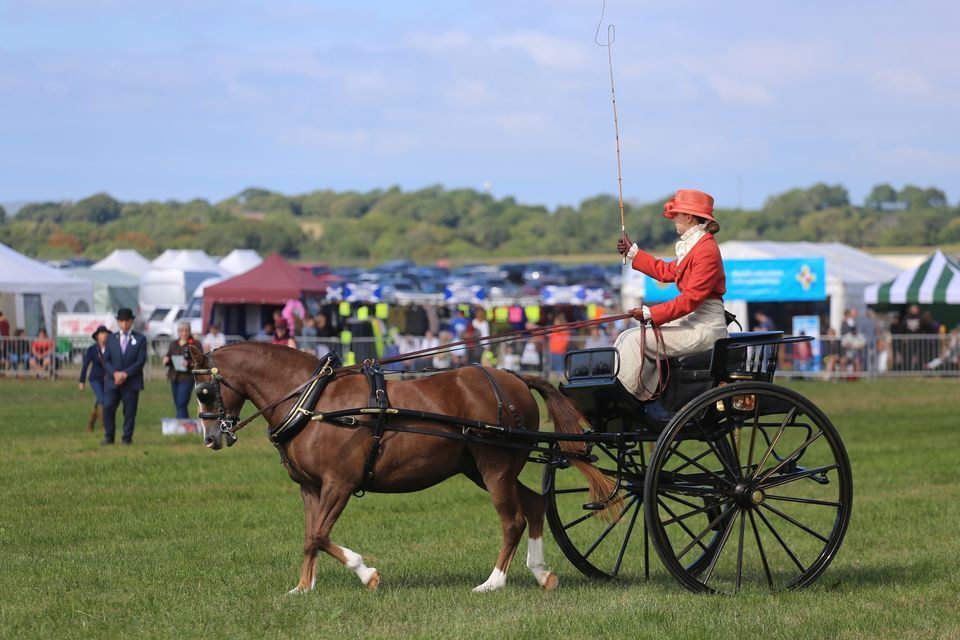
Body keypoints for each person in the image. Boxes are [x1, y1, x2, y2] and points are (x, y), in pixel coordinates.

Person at [616, 188, 728, 400]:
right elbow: (667, 271)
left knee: (633, 341)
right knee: (625, 336)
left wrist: (651, 313)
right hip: (692, 321)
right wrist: (634, 254)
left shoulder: (705, 250)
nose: (673, 218)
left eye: (676, 214)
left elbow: (691, 299)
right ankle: (639, 392)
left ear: (688, 216)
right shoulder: (695, 246)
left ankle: (626, 398)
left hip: (704, 328)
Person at [102, 308, 148, 445]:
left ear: (131, 321)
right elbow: (106, 359)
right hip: (113, 381)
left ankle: (127, 438)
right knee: (108, 407)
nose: (124, 324)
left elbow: (140, 361)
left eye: (127, 321)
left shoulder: (140, 339)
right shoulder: (110, 338)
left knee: (129, 412)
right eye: (121, 321)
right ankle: (109, 437)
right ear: (118, 321)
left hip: (131, 381)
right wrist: (115, 373)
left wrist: (125, 373)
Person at [163, 321, 197, 419]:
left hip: (187, 378)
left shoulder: (195, 344)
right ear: (178, 332)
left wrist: (189, 363)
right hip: (174, 377)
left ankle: (179, 425)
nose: (184, 333)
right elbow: (169, 356)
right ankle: (185, 425)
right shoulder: (174, 344)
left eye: (186, 331)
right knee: (179, 403)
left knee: (181, 402)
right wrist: (166, 360)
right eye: (181, 331)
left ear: (189, 331)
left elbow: (200, 360)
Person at [79, 325, 110, 432]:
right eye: (102, 333)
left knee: (99, 402)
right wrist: (81, 381)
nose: (104, 335)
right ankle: (103, 427)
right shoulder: (92, 349)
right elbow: (85, 365)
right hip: (95, 379)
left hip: (106, 380)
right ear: (97, 336)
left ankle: (90, 425)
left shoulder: (110, 348)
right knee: (102, 399)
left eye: (106, 333)